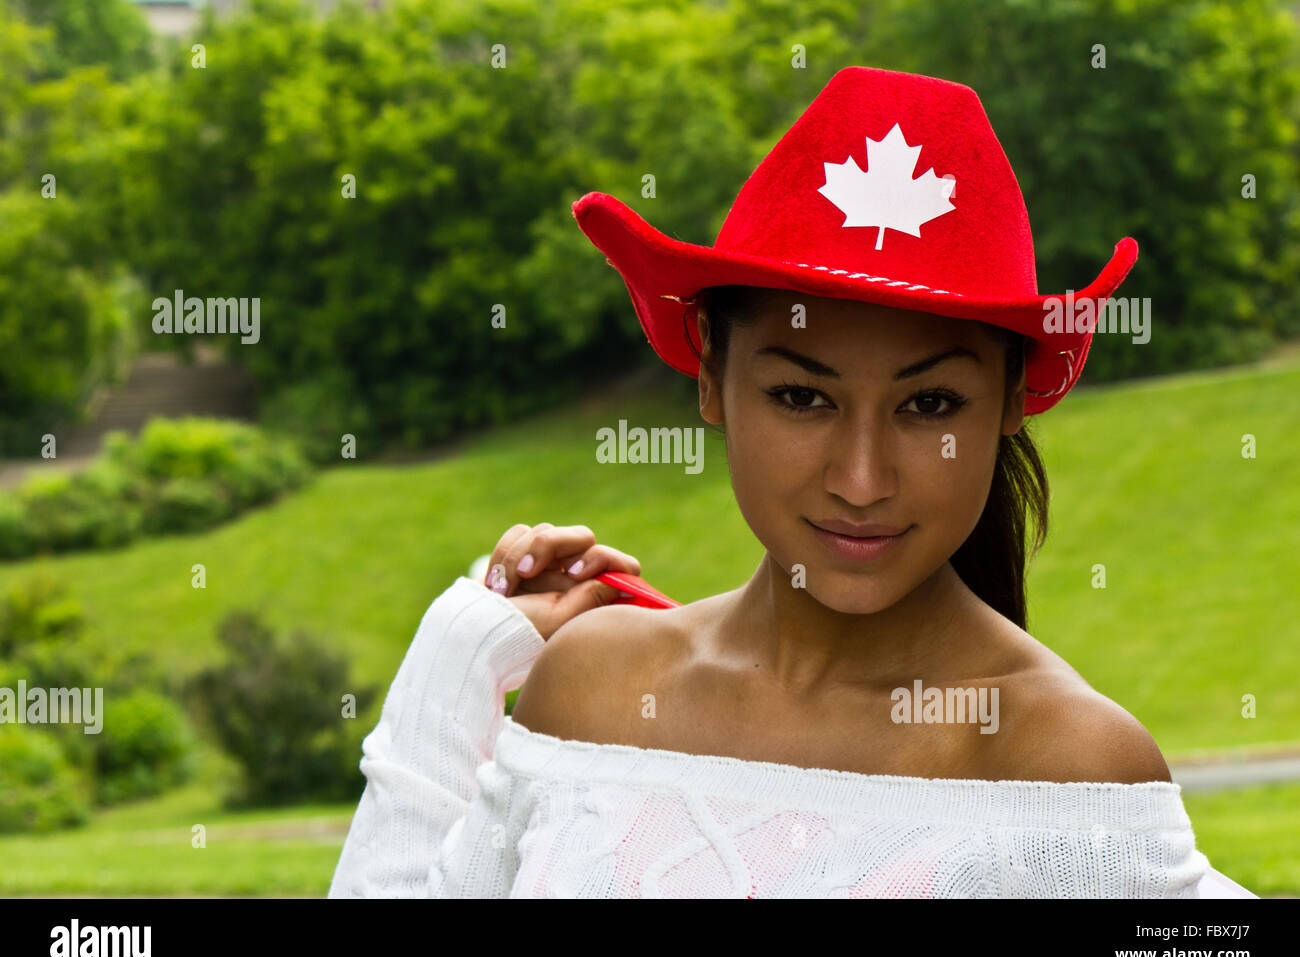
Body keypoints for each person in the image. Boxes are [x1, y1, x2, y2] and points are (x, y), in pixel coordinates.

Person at [329, 65, 1254, 897]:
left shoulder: (1068, 774)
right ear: (710, 382)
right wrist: (462, 650)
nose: (860, 478)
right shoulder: (592, 690)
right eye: (800, 395)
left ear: (1012, 401)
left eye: (929, 404)